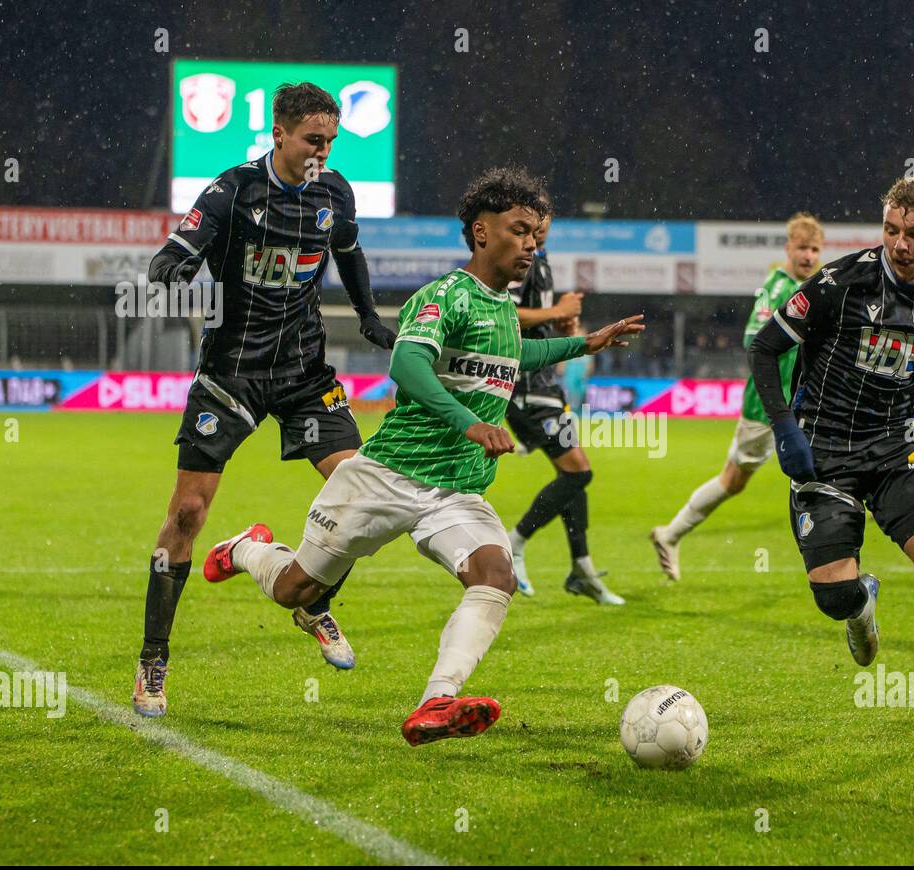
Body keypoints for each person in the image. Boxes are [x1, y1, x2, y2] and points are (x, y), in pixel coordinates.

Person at [202, 167, 645, 746]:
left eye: (537, 233)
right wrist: (471, 423)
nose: (532, 244)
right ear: (481, 233)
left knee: (495, 575)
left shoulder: (504, 311)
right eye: (519, 230)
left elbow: (517, 353)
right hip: (385, 478)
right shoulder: (446, 295)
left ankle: (437, 701)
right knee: (295, 591)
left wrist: (582, 342)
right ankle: (246, 548)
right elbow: (406, 365)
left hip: (455, 494)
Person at [133, 82, 396, 718]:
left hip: (305, 373)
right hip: (232, 374)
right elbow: (175, 253)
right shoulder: (231, 192)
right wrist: (170, 271)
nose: (322, 153)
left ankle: (311, 603)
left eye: (331, 141)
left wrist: (366, 318)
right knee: (188, 513)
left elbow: (350, 253)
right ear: (278, 134)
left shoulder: (334, 193)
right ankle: (152, 662)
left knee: (363, 494)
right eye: (312, 140)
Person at [747, 177, 914, 745]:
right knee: (833, 597)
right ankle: (860, 601)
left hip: (896, 448)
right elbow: (764, 347)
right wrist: (784, 426)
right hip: (823, 453)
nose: (900, 244)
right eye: (891, 230)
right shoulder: (841, 282)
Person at [651, 213, 824, 579]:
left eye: (814, 249)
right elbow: (754, 342)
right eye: (802, 248)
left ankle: (833, 557)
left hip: (802, 403)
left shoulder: (811, 288)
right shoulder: (777, 289)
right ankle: (670, 533)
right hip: (767, 405)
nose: (808, 255)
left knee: (827, 468)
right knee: (734, 480)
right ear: (787, 249)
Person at [504, 206, 623, 604]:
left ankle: (582, 568)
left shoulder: (542, 260)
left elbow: (538, 321)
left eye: (543, 228)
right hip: (523, 383)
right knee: (577, 473)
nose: (536, 236)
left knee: (577, 471)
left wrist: (562, 325)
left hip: (547, 384)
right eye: (531, 228)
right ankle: (514, 543)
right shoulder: (514, 260)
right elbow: (503, 315)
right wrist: (556, 312)